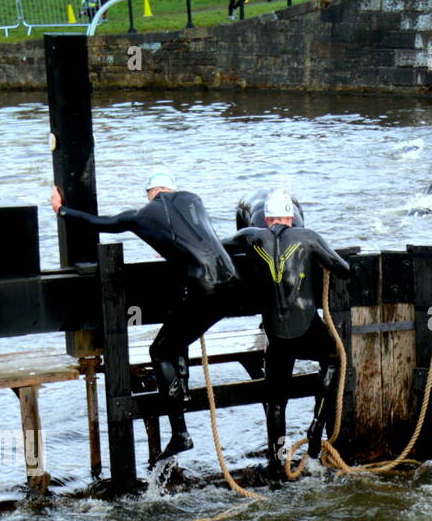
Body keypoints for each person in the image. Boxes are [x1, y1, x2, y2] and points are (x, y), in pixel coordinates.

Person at [51, 171, 238, 465]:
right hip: (231, 281)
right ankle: (183, 390)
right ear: (170, 188)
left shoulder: (139, 216)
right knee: (179, 330)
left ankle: (180, 434)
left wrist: (61, 209)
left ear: (150, 193)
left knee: (160, 351)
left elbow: (100, 223)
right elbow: (198, 235)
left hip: (203, 289)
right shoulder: (194, 200)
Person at [223, 188, 349, 479]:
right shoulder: (308, 237)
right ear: (292, 217)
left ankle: (277, 459)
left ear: (265, 218)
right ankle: (317, 426)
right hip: (306, 325)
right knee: (333, 359)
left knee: (276, 399)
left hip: (276, 333)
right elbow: (344, 269)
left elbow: (215, 247)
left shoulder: (250, 237)